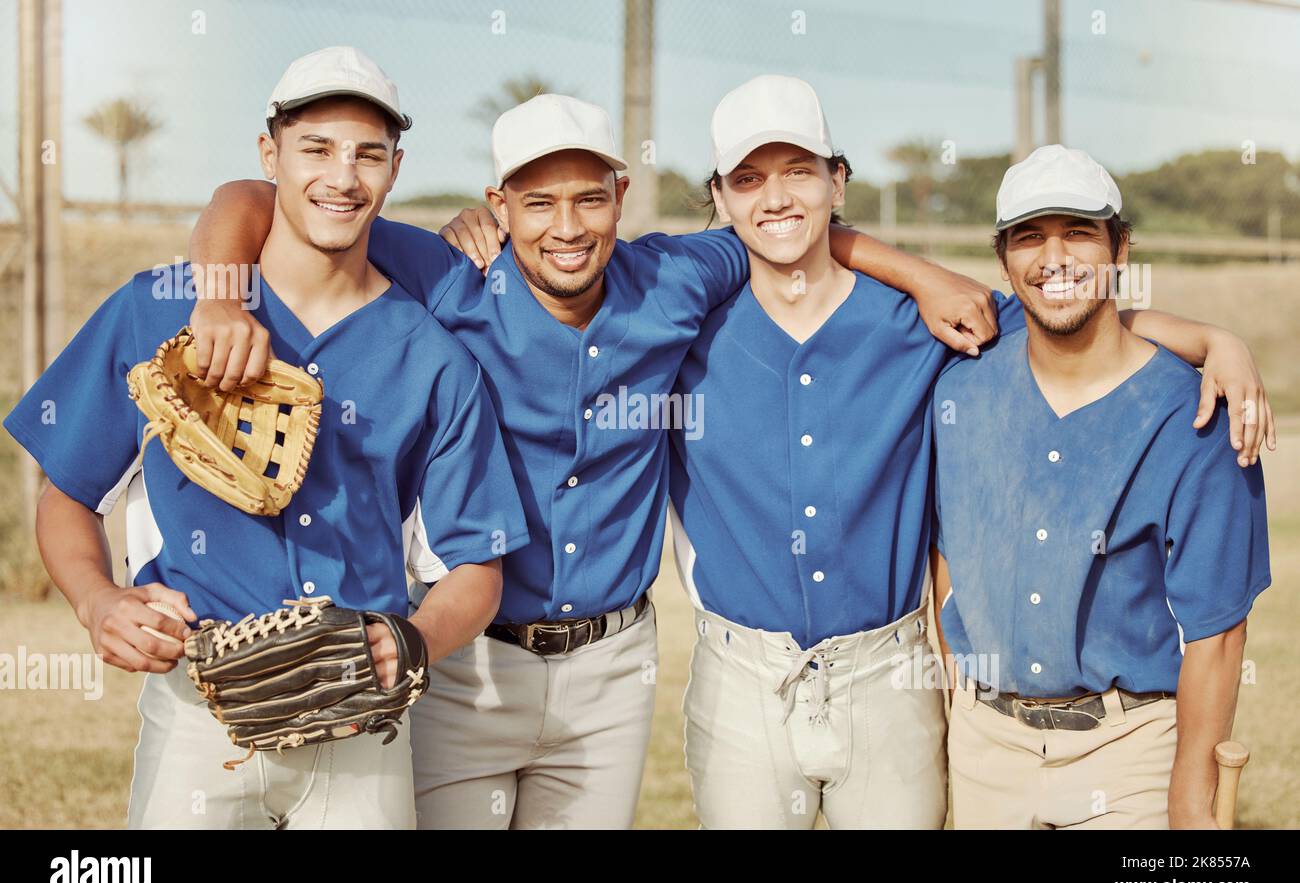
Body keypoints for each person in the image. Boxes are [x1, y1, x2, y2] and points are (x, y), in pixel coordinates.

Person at [183, 89, 1011, 829]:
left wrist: (920, 274)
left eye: (590, 198)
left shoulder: (678, 277)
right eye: (537, 202)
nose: (568, 226)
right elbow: (254, 195)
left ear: (623, 196)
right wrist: (220, 294)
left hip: (612, 670)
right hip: (472, 660)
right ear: (497, 206)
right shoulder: (449, 277)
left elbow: (793, 229)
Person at [665, 78, 1273, 829]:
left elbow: (1077, 316)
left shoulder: (930, 325)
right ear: (720, 198)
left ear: (838, 180)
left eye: (800, 172)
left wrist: (1218, 339)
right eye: (749, 179)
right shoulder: (679, 320)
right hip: (742, 675)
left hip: (889, 672)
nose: (778, 196)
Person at [2, 46, 527, 829]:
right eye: (315, 148)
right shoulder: (162, 310)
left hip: (361, 718)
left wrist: (411, 643)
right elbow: (70, 494)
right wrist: (95, 598)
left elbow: (476, 564)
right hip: (196, 707)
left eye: (367, 155)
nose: (342, 177)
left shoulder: (433, 354)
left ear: (395, 169)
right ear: (268, 155)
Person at [931, 144, 1271, 829]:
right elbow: (948, 557)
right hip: (983, 747)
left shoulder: (1195, 414)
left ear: (1120, 250)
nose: (1054, 257)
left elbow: (1218, 634)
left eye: (1079, 232)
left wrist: (1187, 804)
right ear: (1004, 260)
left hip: (1128, 750)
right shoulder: (959, 389)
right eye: (1029, 237)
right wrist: (954, 705)